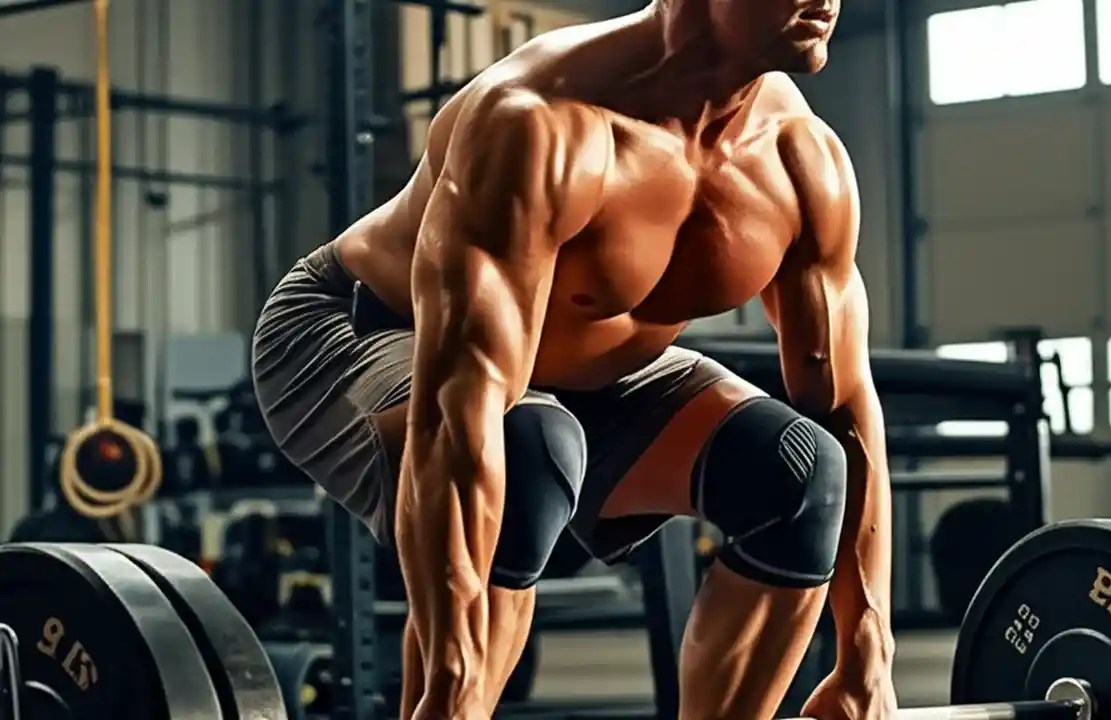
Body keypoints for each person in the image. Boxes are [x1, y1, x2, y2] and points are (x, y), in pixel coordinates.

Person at [252, 0, 895, 717]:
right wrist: (451, 688)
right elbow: (457, 415)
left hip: (579, 376)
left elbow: (840, 406)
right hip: (354, 329)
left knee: (800, 472)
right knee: (528, 448)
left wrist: (866, 655)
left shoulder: (800, 159)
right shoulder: (535, 121)